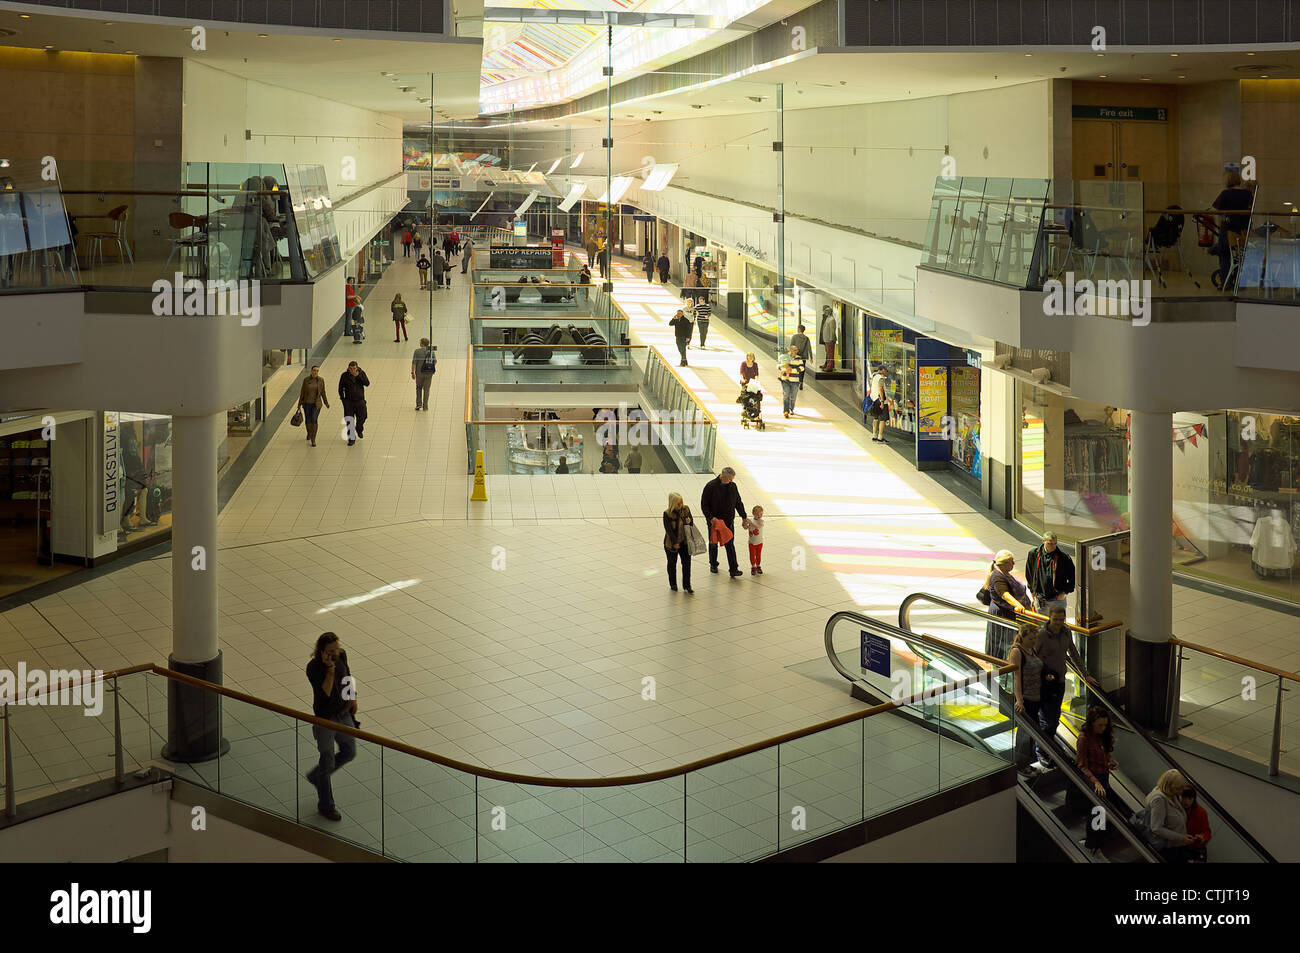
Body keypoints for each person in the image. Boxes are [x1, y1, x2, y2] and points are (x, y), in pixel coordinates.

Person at [305, 632, 358, 822]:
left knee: (349, 751)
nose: (335, 654)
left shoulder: (341, 655)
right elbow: (324, 694)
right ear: (321, 651)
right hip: (325, 719)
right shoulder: (314, 668)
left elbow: (348, 676)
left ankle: (318, 777)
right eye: (330, 651)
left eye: (337, 649)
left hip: (343, 714)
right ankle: (326, 805)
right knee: (327, 760)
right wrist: (329, 670)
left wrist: (352, 696)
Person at [1036, 605, 1098, 768]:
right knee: (1046, 720)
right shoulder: (1042, 635)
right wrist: (1044, 673)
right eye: (1055, 619)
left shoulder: (1066, 631)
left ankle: (1048, 748)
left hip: (1060, 681)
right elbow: (1033, 657)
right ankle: (1041, 751)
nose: (1058, 623)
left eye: (1061, 619)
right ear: (1049, 618)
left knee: (1054, 719)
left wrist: (1085, 674)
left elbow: (1074, 653)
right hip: (1045, 683)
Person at [1075, 705, 1122, 853]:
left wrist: (1110, 760)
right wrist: (1095, 782)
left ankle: (1094, 843)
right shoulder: (1083, 738)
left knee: (1100, 811)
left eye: (1105, 725)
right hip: (1094, 779)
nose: (1103, 728)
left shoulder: (1101, 736)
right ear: (1092, 723)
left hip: (1103, 776)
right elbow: (1081, 765)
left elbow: (1103, 752)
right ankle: (1092, 844)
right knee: (1097, 811)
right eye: (1100, 725)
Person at [1008, 623, 1044, 777]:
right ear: (1023, 637)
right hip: (1026, 699)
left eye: (1035, 638)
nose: (1033, 641)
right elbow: (1016, 677)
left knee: (1032, 732)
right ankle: (1021, 765)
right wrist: (1019, 700)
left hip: (1036, 697)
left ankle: (1027, 762)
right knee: (1024, 733)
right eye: (1030, 638)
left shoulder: (1031, 649)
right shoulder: (1017, 652)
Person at [700, 467, 750, 577]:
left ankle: (733, 568)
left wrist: (744, 517)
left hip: (728, 521)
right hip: (715, 522)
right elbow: (704, 505)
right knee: (713, 543)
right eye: (729, 479)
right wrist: (710, 518)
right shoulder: (711, 486)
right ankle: (713, 564)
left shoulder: (733, 486)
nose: (731, 481)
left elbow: (738, 502)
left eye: (732, 479)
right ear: (723, 476)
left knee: (730, 544)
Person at [1211, 168, 1253, 289]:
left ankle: (1226, 282)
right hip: (1243, 232)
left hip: (1228, 231)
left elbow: (1216, 209)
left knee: (1223, 254)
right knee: (1240, 256)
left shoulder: (1226, 193)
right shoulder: (1247, 194)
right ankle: (1240, 281)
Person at [983, 550, 1028, 660]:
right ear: (1005, 563)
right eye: (1012, 562)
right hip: (1003, 614)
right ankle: (1004, 666)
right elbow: (1004, 594)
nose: (1013, 564)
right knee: (1003, 643)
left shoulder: (1003, 573)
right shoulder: (997, 577)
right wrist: (1018, 605)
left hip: (1007, 612)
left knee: (1008, 641)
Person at [1145, 769, 1194, 862]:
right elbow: (1156, 828)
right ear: (1170, 786)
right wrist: (1181, 838)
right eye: (1178, 788)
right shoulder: (1159, 800)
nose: (1181, 792)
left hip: (1176, 845)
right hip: (1168, 847)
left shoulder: (1171, 795)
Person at [1025, 531, 1076, 616]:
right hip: (1040, 599)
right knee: (1043, 626)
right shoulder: (1033, 554)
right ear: (1043, 541)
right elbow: (1029, 573)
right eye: (1050, 543)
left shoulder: (1063, 558)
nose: (1053, 546)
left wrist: (1065, 592)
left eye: (1055, 543)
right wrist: (1033, 591)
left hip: (1057, 599)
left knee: (1059, 626)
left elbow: (1073, 577)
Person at [663, 492, 695, 593]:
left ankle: (687, 585)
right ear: (672, 503)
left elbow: (691, 523)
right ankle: (673, 584)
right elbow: (669, 531)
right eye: (678, 504)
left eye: (681, 503)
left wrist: (689, 521)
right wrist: (675, 542)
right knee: (672, 564)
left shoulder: (686, 509)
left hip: (684, 542)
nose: (680, 505)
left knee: (687, 564)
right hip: (671, 543)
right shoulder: (667, 514)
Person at [297, 364, 330, 447]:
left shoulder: (321, 380)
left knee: (314, 419)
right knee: (308, 419)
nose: (315, 372)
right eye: (314, 370)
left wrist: (326, 403)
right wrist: (299, 404)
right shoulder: (306, 380)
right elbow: (302, 392)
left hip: (317, 404)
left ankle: (313, 439)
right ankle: (309, 432)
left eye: (317, 371)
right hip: (307, 403)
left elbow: (323, 392)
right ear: (311, 371)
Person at [338, 361, 370, 446]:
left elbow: (367, 383)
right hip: (349, 402)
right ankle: (351, 438)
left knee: (363, 417)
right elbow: (340, 388)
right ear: (348, 368)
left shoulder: (361, 373)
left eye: (354, 369)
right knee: (349, 420)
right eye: (350, 369)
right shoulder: (344, 376)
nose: (352, 370)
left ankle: (359, 429)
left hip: (360, 401)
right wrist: (343, 399)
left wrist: (358, 376)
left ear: (357, 368)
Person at [1181, 786, 1212, 862]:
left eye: (1190, 799)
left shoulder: (1201, 812)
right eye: (1184, 798)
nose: (1186, 801)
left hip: (1196, 847)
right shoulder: (1176, 809)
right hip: (1181, 846)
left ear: (1194, 799)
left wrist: (1202, 837)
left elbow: (1207, 831)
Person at [779, 343, 804, 418]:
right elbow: (779, 365)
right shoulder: (785, 357)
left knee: (793, 396)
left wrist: (792, 370)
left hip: (795, 381)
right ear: (790, 350)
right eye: (794, 350)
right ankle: (786, 411)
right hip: (785, 380)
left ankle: (791, 408)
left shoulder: (799, 358)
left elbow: (802, 368)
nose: (796, 351)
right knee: (786, 395)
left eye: (797, 350)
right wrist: (785, 370)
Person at [411, 337, 436, 412]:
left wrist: (412, 372)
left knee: (419, 388)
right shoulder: (431, 351)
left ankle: (419, 404)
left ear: (422, 344)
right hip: (429, 373)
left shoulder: (417, 351)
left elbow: (414, 363)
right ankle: (425, 406)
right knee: (427, 389)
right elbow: (435, 362)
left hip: (419, 373)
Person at [868, 366, 891, 443]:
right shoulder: (880, 378)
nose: (886, 372)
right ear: (882, 370)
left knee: (876, 418)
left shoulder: (874, 376)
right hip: (880, 401)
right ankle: (880, 438)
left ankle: (874, 435)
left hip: (874, 399)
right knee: (882, 419)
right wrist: (882, 401)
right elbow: (880, 389)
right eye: (885, 370)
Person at [790, 324, 813, 389]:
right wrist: (811, 357)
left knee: (795, 368)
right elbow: (809, 348)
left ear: (798, 329)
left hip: (796, 356)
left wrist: (790, 355)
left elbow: (791, 346)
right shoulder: (806, 338)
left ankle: (796, 382)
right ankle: (801, 382)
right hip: (803, 356)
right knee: (802, 369)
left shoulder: (794, 337)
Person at [819, 305, 839, 370]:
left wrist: (831, 339)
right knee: (828, 353)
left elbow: (832, 330)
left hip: (829, 339)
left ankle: (829, 366)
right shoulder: (828, 318)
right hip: (826, 339)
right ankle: (829, 365)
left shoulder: (832, 320)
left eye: (826, 311)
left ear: (829, 311)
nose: (825, 312)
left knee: (830, 353)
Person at [747, 504, 765, 575]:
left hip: (759, 542)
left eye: (761, 514)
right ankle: (753, 567)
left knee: (758, 555)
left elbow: (758, 527)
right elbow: (746, 527)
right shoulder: (750, 520)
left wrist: (751, 523)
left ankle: (758, 566)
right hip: (751, 542)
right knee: (752, 555)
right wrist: (745, 524)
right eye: (757, 514)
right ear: (753, 513)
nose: (759, 515)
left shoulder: (761, 521)